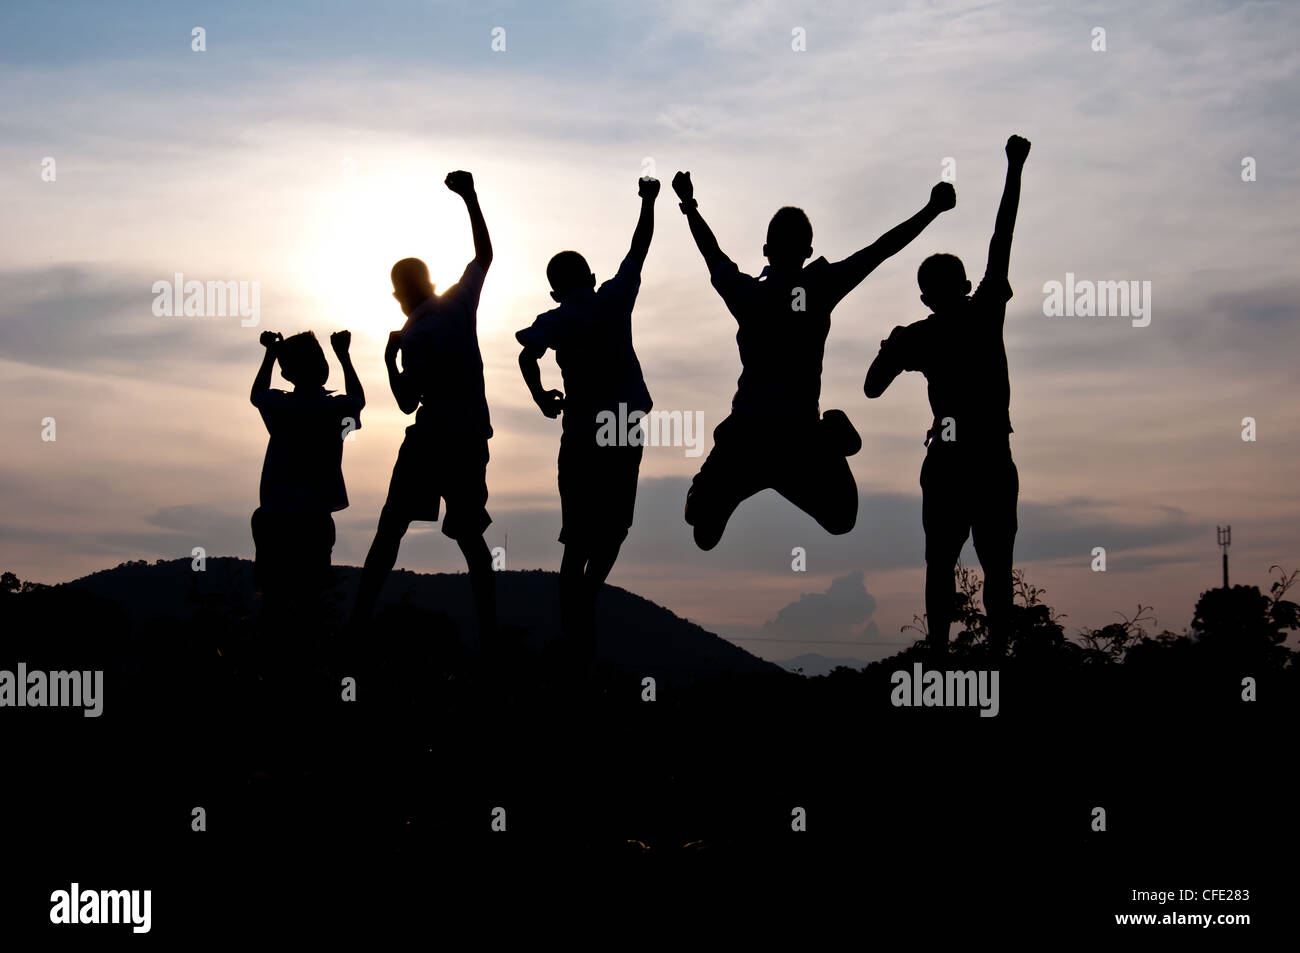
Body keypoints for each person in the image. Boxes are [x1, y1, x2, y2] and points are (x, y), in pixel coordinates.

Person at [671, 169, 956, 550]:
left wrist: (690, 206)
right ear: (807, 253)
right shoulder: (818, 286)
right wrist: (931, 210)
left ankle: (821, 441)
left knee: (702, 532)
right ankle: (830, 435)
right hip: (794, 435)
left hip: (753, 435)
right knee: (840, 520)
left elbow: (712, 254)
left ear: (766, 251)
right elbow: (880, 249)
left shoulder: (749, 294)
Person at [864, 135, 1031, 656]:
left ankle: (939, 651)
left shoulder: (922, 334)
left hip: (952, 459)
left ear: (925, 297)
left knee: (941, 564)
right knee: (994, 566)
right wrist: (1013, 168)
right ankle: (996, 653)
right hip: (988, 456)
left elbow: (871, 387)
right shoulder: (982, 314)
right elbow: (1002, 236)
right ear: (962, 286)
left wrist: (891, 347)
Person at [515, 175, 659, 671]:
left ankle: (575, 621)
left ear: (556, 289)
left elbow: (525, 356)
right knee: (614, 528)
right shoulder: (612, 300)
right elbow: (639, 249)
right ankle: (585, 605)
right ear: (591, 277)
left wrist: (540, 399)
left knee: (576, 539)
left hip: (582, 430)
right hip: (619, 425)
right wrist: (648, 201)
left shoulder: (556, 320)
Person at [351, 170, 497, 644]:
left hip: (433, 435)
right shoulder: (458, 303)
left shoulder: (413, 335)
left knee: (391, 528)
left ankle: (358, 622)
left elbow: (405, 401)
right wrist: (470, 197)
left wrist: (388, 359)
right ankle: (489, 631)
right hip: (470, 434)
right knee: (471, 537)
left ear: (398, 294)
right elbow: (484, 256)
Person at [250, 328, 364, 616]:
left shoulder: (281, 407)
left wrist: (270, 354)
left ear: (288, 375)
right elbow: (358, 400)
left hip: (277, 512)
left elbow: (257, 395)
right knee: (310, 596)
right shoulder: (335, 409)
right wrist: (345, 357)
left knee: (274, 594)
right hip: (314, 514)